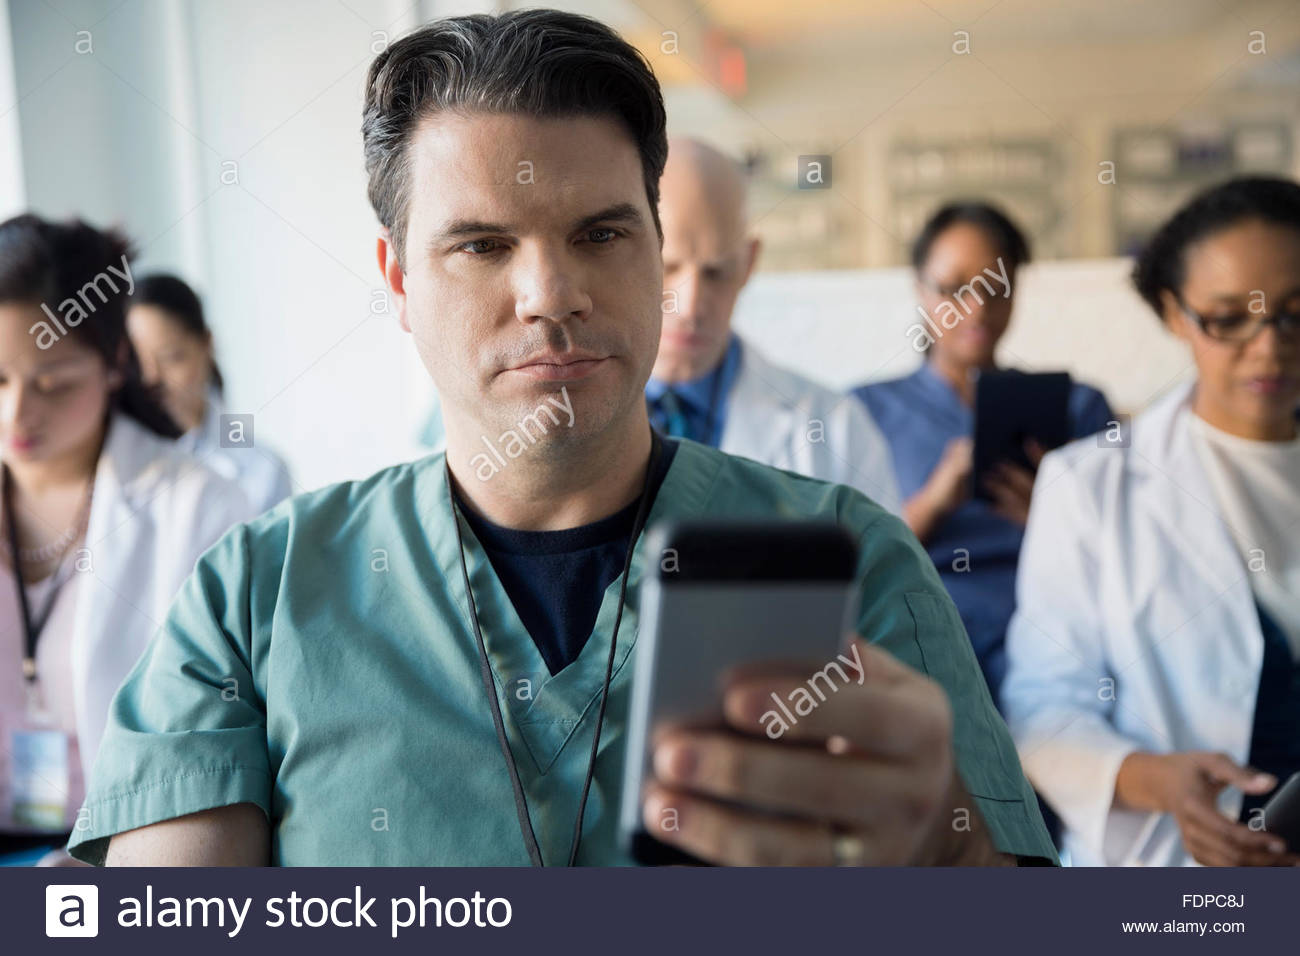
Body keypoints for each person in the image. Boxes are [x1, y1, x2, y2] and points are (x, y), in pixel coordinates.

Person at [69, 10, 1054, 867]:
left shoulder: (860, 563)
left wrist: (943, 841)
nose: (550, 295)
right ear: (400, 280)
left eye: (601, 234)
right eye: (483, 245)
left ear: (658, 251)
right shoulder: (253, 597)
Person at [1002, 176, 1300, 867]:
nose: (1269, 347)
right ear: (1174, 313)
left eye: (1295, 312)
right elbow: (1042, 711)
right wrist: (1161, 783)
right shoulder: (1090, 484)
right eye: (1228, 318)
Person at [0, 215, 253, 865]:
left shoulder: (198, 507)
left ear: (116, 364)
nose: (17, 413)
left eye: (53, 382)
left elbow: (217, 756)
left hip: (125, 857)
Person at [853, 203, 1113, 709]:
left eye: (995, 288)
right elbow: (847, 558)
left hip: (1055, 612)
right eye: (953, 288)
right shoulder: (863, 411)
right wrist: (933, 500)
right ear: (919, 289)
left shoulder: (1079, 407)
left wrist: (1052, 519)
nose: (976, 310)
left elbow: (1130, 554)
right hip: (927, 619)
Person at [645, 138, 899, 510]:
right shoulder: (563, 415)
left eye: (717, 273)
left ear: (748, 263)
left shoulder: (837, 429)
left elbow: (888, 567)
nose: (690, 306)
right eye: (667, 268)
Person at [128, 274, 293, 515]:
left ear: (206, 345)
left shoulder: (264, 470)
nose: (151, 378)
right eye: (135, 362)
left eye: (170, 357)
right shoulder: (106, 463)